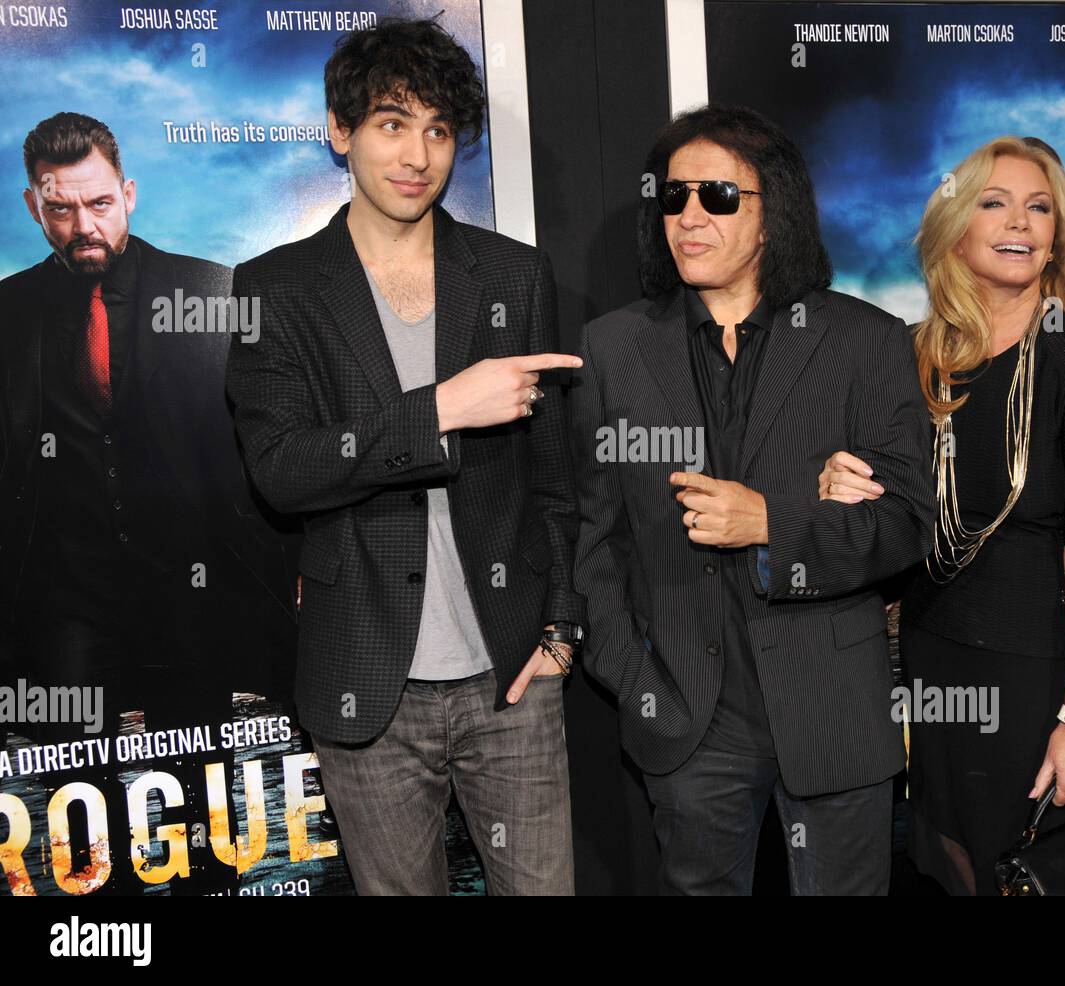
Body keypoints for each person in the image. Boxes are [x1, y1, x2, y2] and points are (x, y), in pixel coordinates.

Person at [224, 16, 585, 896]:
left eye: (438, 129)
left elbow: (557, 481)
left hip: (512, 679)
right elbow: (282, 470)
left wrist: (563, 634)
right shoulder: (273, 289)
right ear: (340, 133)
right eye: (392, 123)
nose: (418, 153)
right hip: (365, 687)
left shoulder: (512, 277)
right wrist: (442, 412)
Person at [571, 105, 934, 895]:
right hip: (688, 726)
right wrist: (636, 681)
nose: (691, 216)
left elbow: (908, 522)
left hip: (833, 716)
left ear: (776, 215)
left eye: (719, 197)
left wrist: (772, 521)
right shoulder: (613, 348)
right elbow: (595, 540)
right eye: (674, 198)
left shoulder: (865, 340)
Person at [818, 136, 1065, 895]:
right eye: (993, 203)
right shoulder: (909, 358)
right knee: (949, 855)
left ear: (1058, 233)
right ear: (956, 225)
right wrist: (837, 477)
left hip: (1033, 669)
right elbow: (888, 507)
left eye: (1038, 207)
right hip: (931, 654)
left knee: (1026, 869)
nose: (1019, 222)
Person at [0, 111, 294, 894]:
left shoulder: (210, 292)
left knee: (199, 819)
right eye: (60, 208)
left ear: (128, 193)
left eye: (98, 204)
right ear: (35, 206)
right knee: (81, 840)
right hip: (65, 603)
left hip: (186, 594)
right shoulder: (8, 314)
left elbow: (259, 452)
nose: (81, 224)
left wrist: (287, 572)